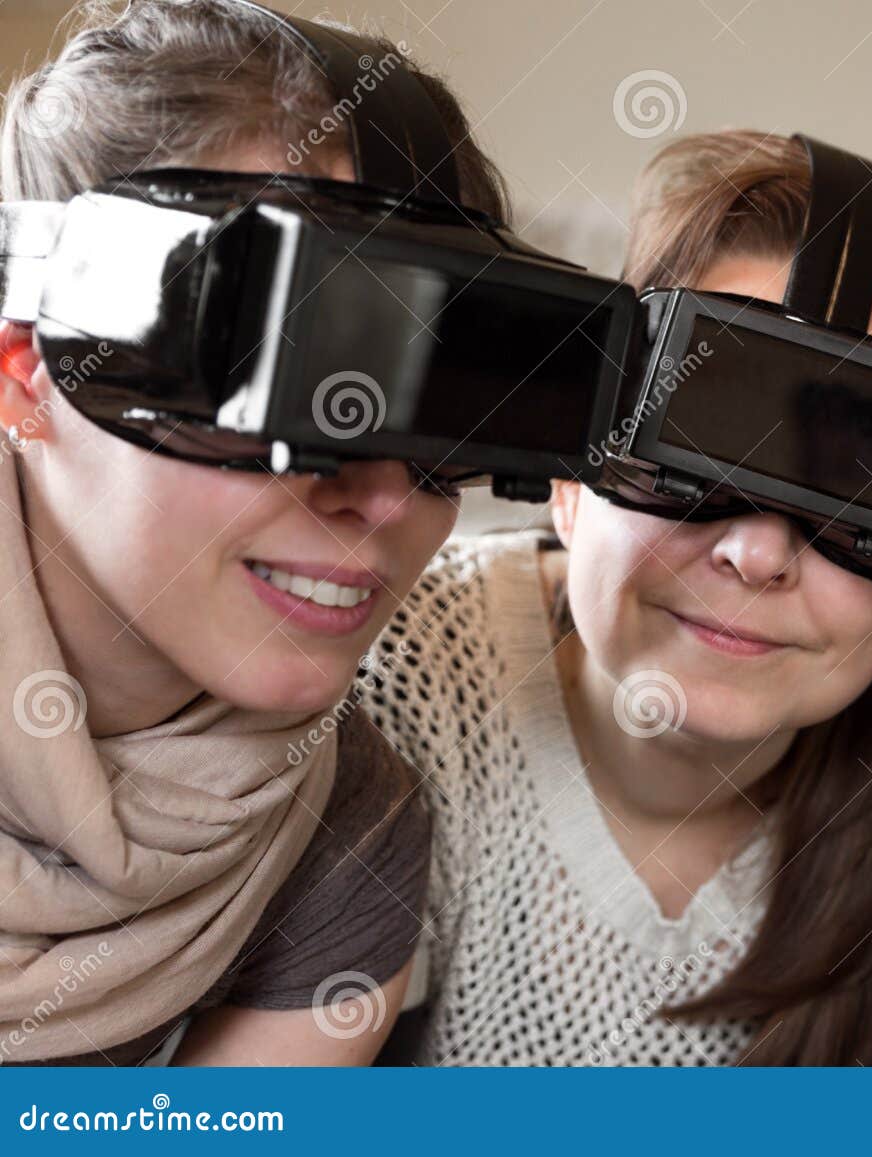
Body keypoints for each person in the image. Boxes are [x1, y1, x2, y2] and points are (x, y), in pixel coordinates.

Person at [363, 129, 872, 1066]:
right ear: (569, 475)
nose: (758, 554)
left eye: (857, 498)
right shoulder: (396, 660)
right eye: (700, 458)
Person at [0, 0, 510, 1065]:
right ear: (24, 372)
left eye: (442, 416)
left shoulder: (351, 834)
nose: (384, 499)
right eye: (288, 381)